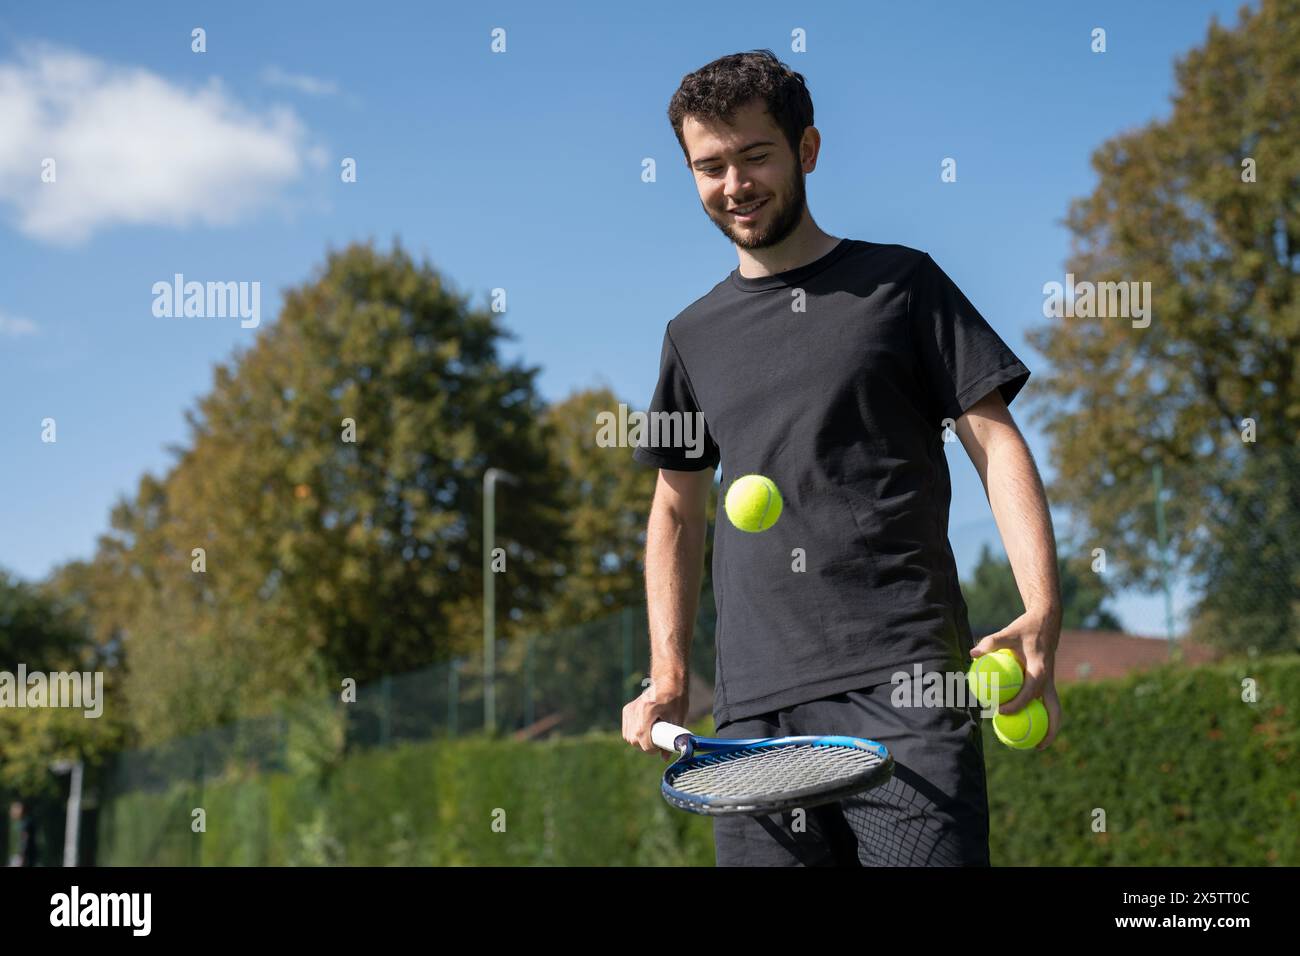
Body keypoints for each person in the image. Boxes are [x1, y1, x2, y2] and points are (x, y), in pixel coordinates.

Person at [621, 50, 1063, 866]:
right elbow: (676, 509)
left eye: (755, 155)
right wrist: (668, 673)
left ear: (807, 150)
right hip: (754, 716)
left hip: (907, 688)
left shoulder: (903, 284)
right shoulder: (691, 337)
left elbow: (995, 443)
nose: (735, 184)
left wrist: (1041, 608)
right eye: (710, 166)